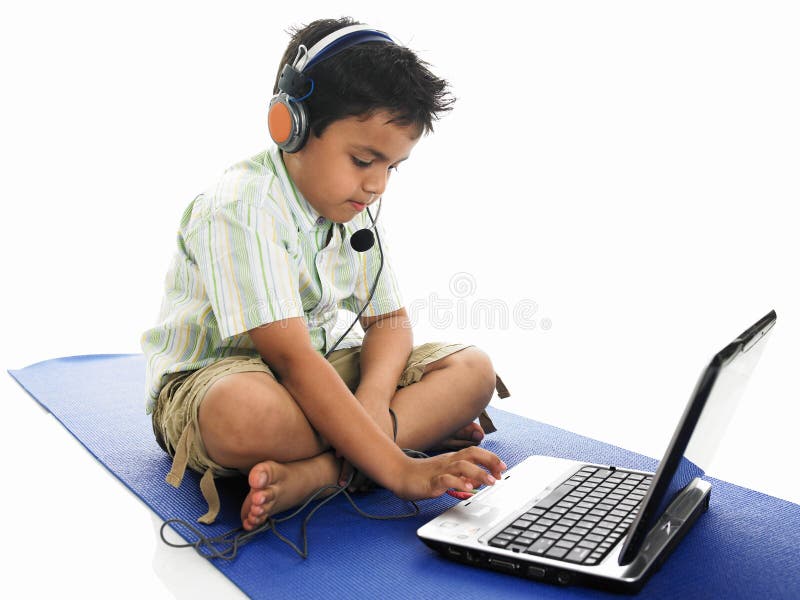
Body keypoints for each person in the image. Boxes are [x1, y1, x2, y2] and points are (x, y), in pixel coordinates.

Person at [141, 17, 510, 532]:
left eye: (392, 167)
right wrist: (402, 468)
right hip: (219, 383)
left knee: (474, 370)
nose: (378, 184)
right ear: (289, 126)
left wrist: (376, 404)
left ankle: (323, 472)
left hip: (315, 374)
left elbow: (391, 322)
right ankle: (380, 450)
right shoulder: (242, 207)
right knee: (243, 413)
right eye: (363, 159)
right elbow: (291, 361)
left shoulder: (351, 202)